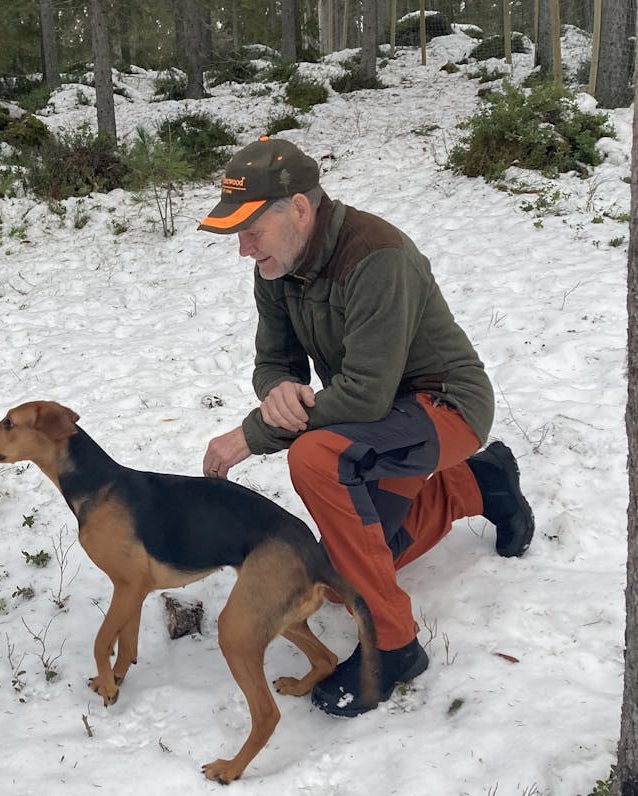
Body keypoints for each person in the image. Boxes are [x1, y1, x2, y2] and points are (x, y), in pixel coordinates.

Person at [198, 136, 534, 718]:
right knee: (348, 573)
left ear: (299, 209)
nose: (243, 248)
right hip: (379, 423)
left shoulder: (377, 256)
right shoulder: (275, 265)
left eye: (250, 228)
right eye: (236, 233)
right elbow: (274, 360)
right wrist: (275, 389)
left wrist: (251, 435)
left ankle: (395, 645)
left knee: (315, 456)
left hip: (442, 406)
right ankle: (479, 486)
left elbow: (366, 393)